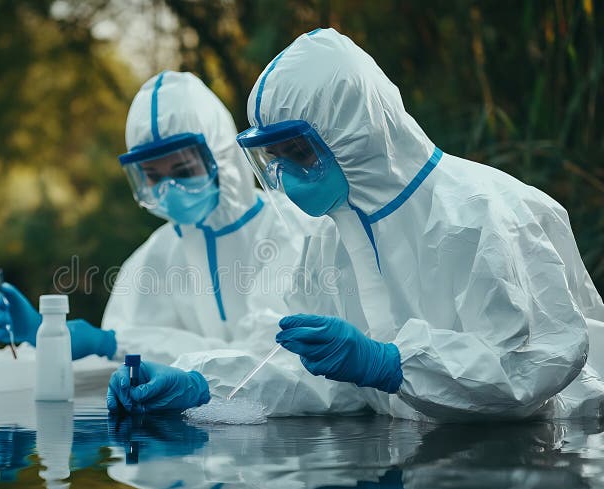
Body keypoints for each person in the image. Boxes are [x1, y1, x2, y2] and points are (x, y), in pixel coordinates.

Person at [222, 28, 604, 421]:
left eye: (300, 152)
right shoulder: (329, 239)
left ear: (354, 129)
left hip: (538, 451)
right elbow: (321, 382)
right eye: (275, 156)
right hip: (415, 452)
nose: (289, 172)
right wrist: (203, 387)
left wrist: (393, 363)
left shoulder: (479, 212)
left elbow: (528, 367)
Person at [103, 71, 365, 416]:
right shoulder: (154, 255)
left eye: (182, 172)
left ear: (221, 157)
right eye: (153, 177)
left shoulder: (293, 230)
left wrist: (192, 378)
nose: (169, 189)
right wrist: (54, 341)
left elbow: (273, 355)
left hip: (291, 447)